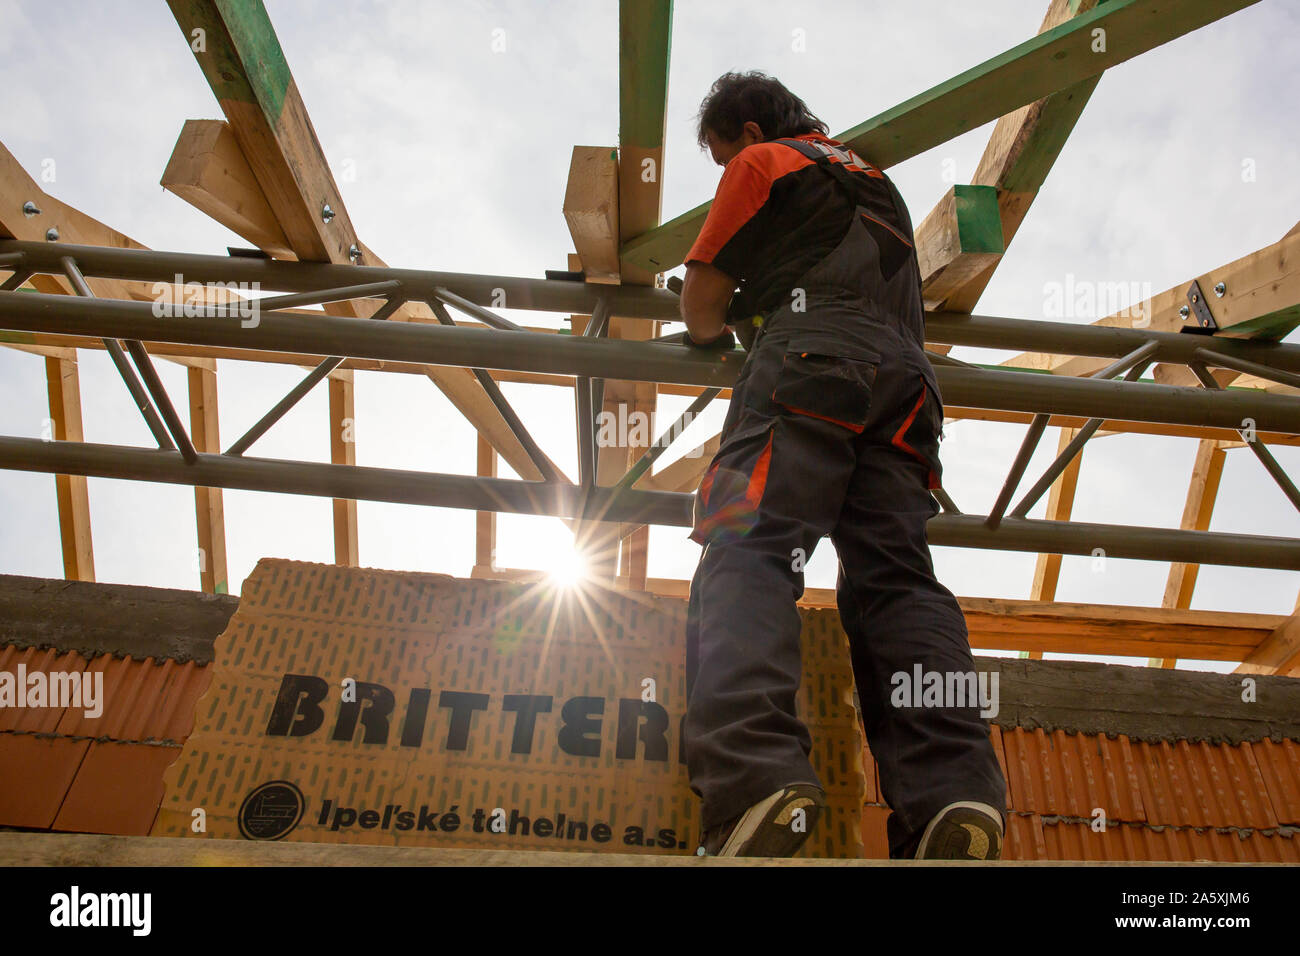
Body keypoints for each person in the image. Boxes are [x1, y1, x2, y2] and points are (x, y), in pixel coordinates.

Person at [677, 71, 1008, 859]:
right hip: (908, 395)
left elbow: (700, 302)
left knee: (746, 549)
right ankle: (953, 797)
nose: (727, 167)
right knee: (898, 580)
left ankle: (756, 782)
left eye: (722, 153)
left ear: (747, 132)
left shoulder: (766, 163)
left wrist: (710, 332)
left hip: (807, 366)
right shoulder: (878, 186)